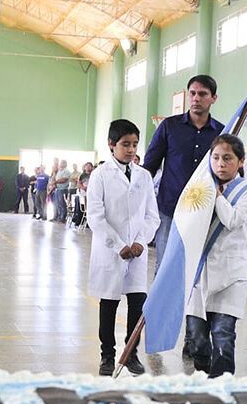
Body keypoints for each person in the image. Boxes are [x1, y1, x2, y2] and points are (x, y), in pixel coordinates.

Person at [86, 119, 160, 377]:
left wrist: (140, 241)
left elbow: (153, 215)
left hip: (137, 254)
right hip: (110, 252)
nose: (130, 150)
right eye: (125, 144)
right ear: (111, 145)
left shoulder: (144, 175)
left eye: (135, 144)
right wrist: (118, 245)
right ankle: (107, 355)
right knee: (109, 305)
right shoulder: (100, 175)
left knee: (138, 305)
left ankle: (131, 354)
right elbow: (95, 216)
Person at [185, 134, 247, 378]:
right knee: (196, 341)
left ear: (240, 161)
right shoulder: (200, 188)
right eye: (216, 158)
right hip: (200, 273)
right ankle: (204, 377)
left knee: (223, 336)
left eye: (227, 158)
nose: (220, 164)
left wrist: (216, 197)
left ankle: (222, 387)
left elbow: (232, 220)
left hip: (231, 275)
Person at [143, 74, 223, 271]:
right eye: (193, 93)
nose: (196, 98)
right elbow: (149, 167)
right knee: (165, 267)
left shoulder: (221, 133)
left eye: (202, 94)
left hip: (204, 213)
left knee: (196, 271)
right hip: (169, 210)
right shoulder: (169, 127)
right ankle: (161, 303)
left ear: (213, 98)